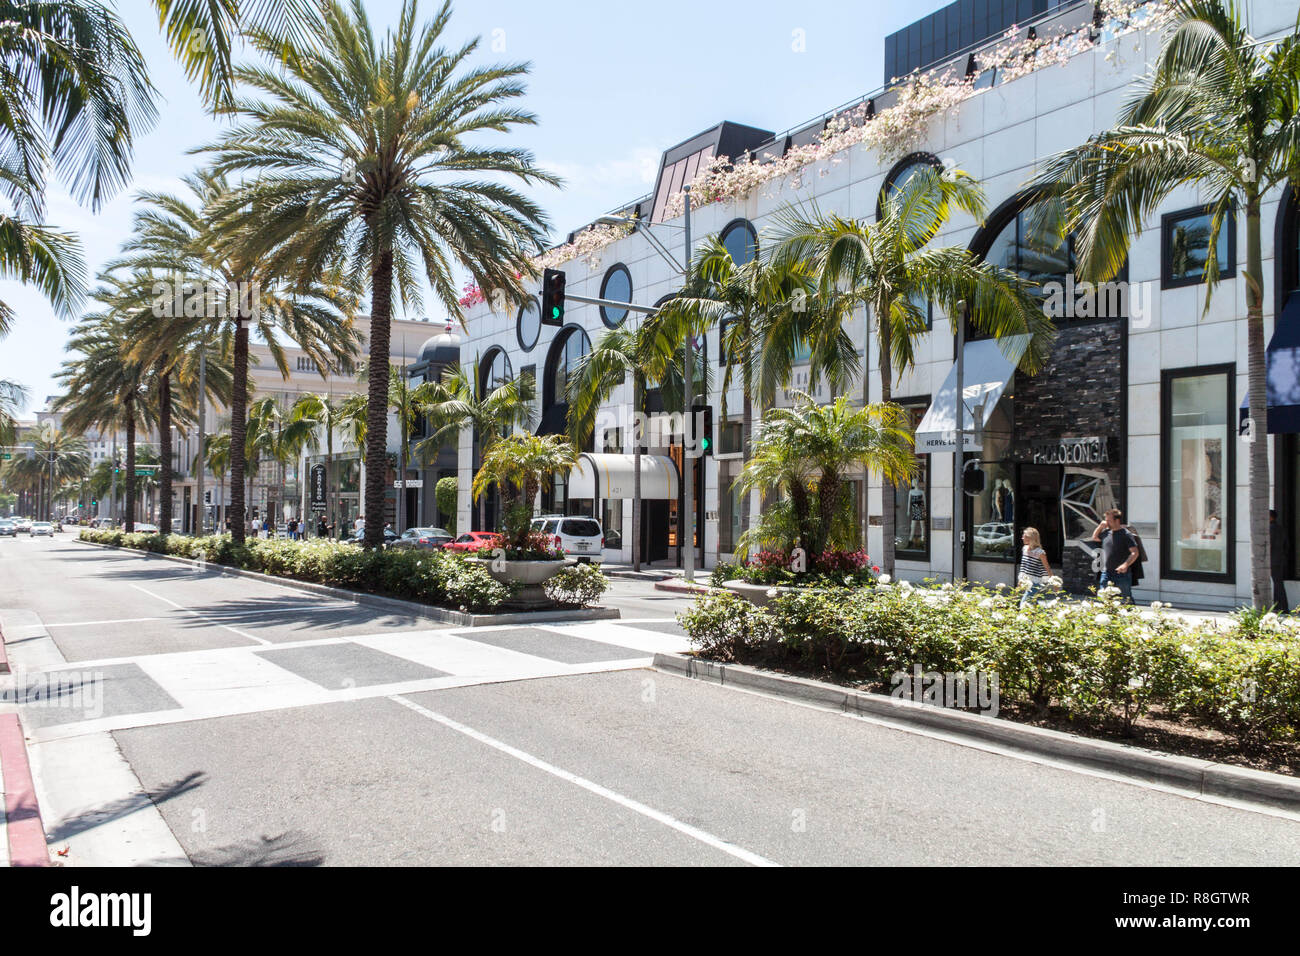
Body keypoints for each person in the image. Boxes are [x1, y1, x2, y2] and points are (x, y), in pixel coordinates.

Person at [1091, 508, 1140, 603]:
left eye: (1108, 520)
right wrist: (1100, 527)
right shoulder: (1106, 533)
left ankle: (1130, 616)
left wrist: (1125, 565)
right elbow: (1095, 538)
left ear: (1116, 520)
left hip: (1121, 574)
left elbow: (1135, 552)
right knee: (1103, 598)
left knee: (1125, 600)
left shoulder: (1126, 534)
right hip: (1106, 572)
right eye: (1106, 520)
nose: (1106, 523)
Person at [1018, 527, 1053, 608]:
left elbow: (1047, 567)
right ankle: (1045, 616)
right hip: (1027, 582)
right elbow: (1023, 567)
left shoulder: (1040, 552)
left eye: (1025, 536)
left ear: (1031, 538)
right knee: (1033, 604)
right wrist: (1020, 580)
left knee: (1024, 604)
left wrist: (1054, 583)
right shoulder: (1025, 549)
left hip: (1035, 582)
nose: (1022, 537)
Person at [1270, 510, 1290, 613]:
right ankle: (1279, 606)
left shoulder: (1270, 529)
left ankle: (1282, 607)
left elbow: (1269, 545)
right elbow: (1286, 545)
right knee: (1278, 584)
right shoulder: (1281, 529)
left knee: (1278, 584)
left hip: (1273, 561)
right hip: (1280, 560)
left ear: (1271, 517)